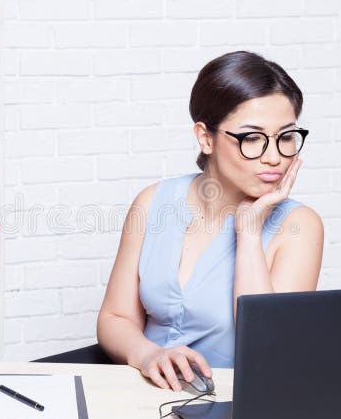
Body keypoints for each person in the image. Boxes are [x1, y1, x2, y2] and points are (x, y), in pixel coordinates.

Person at [96, 51, 324, 391]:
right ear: (206, 137)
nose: (274, 156)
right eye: (252, 139)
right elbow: (115, 318)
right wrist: (148, 355)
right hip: (142, 397)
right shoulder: (153, 202)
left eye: (286, 137)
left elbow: (268, 354)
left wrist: (249, 233)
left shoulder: (300, 226)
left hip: (234, 410)